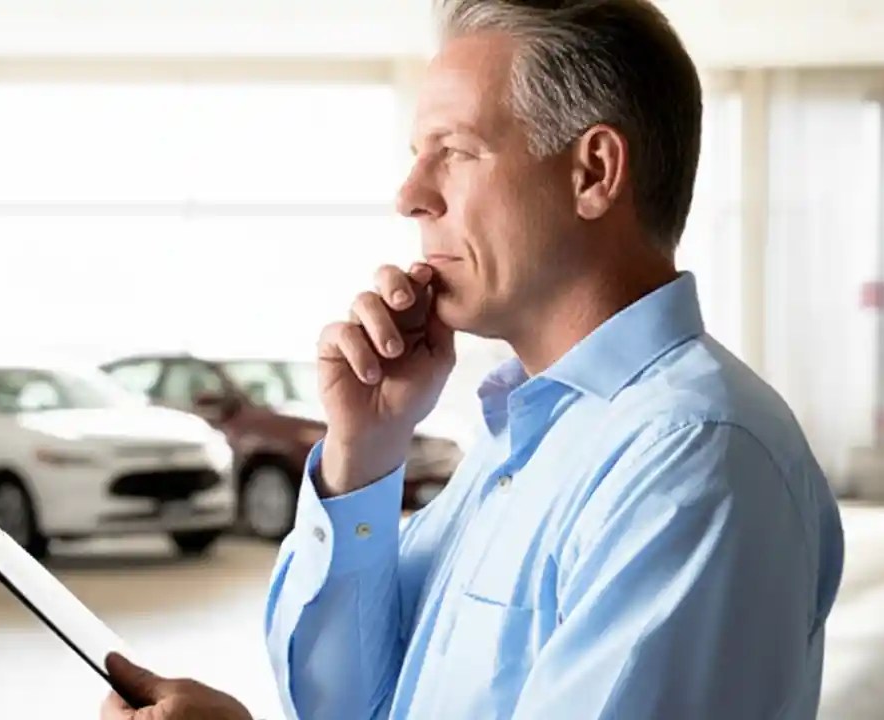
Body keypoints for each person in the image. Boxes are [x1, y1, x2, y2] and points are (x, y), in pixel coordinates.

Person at [100, 0, 845, 718]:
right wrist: (365, 454)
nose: (410, 195)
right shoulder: (527, 435)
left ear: (593, 172)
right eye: (417, 157)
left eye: (453, 152)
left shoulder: (693, 461)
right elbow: (343, 706)